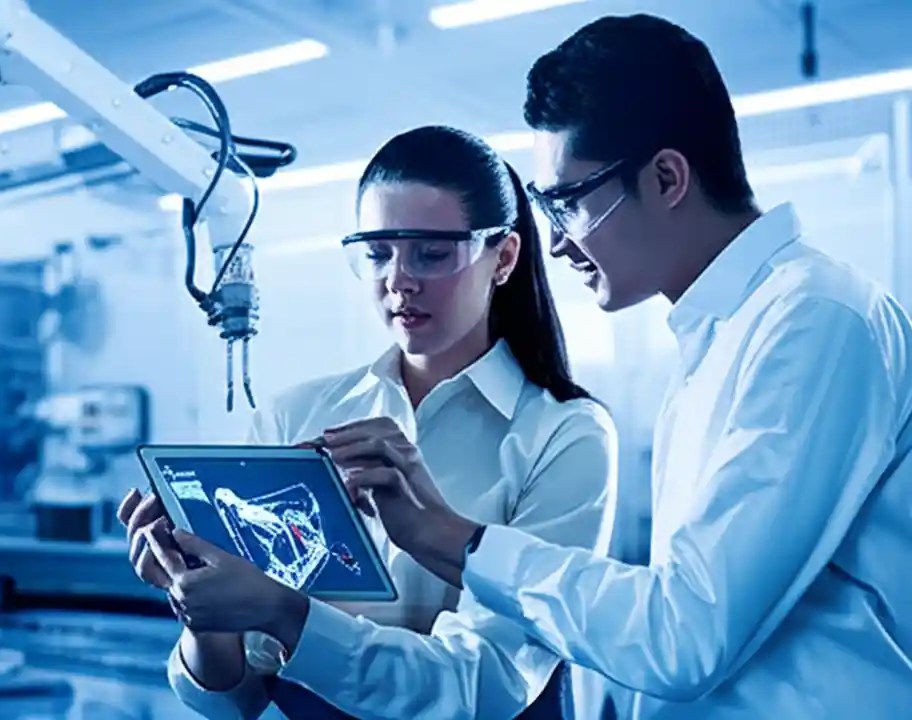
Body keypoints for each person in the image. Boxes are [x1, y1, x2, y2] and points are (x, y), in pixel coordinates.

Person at [304, 14, 912, 720]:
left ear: (666, 177)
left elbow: (687, 636)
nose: (556, 245)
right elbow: (679, 619)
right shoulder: (720, 338)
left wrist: (452, 537)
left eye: (568, 204)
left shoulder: (815, 319)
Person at [118, 124, 619, 719]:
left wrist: (285, 611)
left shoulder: (564, 435)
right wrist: (199, 603)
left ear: (504, 257)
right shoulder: (295, 415)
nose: (398, 280)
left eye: (431, 254)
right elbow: (235, 702)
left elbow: (485, 688)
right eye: (378, 253)